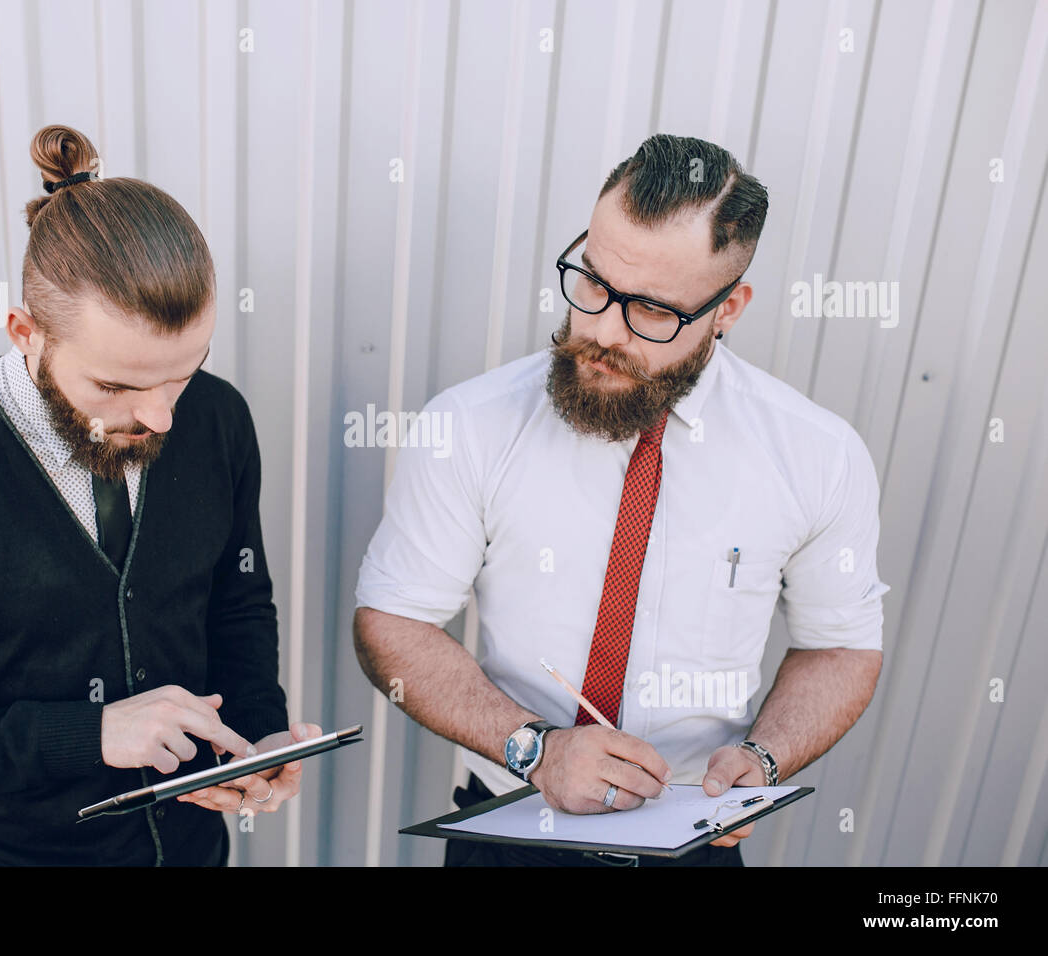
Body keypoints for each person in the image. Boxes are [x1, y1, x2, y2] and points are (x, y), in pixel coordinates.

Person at [353, 133, 888, 867]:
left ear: (728, 309)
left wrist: (765, 760)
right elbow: (395, 620)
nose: (601, 331)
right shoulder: (468, 426)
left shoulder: (818, 455)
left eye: (654, 311)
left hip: (695, 837)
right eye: (595, 282)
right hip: (513, 820)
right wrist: (534, 749)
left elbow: (840, 646)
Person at [0, 124, 319, 866]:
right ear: (25, 334)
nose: (161, 416)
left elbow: (234, 603)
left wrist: (257, 738)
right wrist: (89, 733)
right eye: (116, 385)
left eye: (183, 373)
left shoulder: (219, 418)